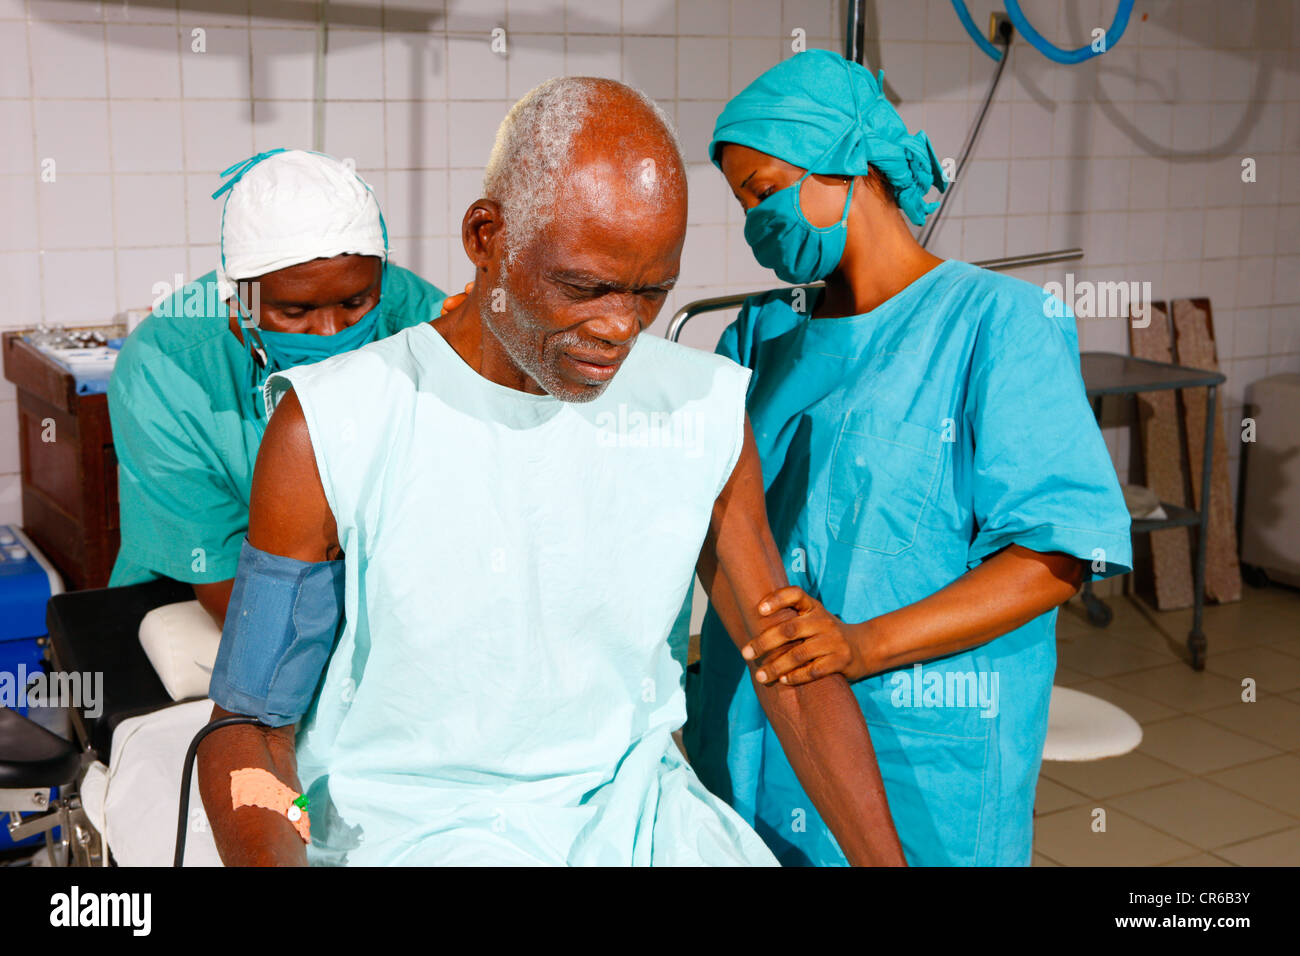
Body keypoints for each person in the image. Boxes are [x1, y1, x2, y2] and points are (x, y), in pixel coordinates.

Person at [196, 77, 905, 867]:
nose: (618, 328)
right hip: (411, 831)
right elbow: (250, 728)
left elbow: (793, 671)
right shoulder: (332, 427)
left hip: (635, 824)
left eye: (650, 292)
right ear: (486, 235)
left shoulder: (697, 411)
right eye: (584, 288)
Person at [683, 49, 1133, 867]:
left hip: (920, 746)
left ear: (849, 163)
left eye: (763, 190)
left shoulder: (998, 326)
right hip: (760, 730)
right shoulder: (759, 335)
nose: (755, 222)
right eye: (741, 203)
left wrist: (864, 646)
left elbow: (1057, 555)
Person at [108, 149, 447, 625]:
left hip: (391, 590)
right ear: (238, 303)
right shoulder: (163, 370)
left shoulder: (421, 320)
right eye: (295, 312)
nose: (331, 333)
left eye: (356, 302)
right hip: (198, 597)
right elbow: (226, 588)